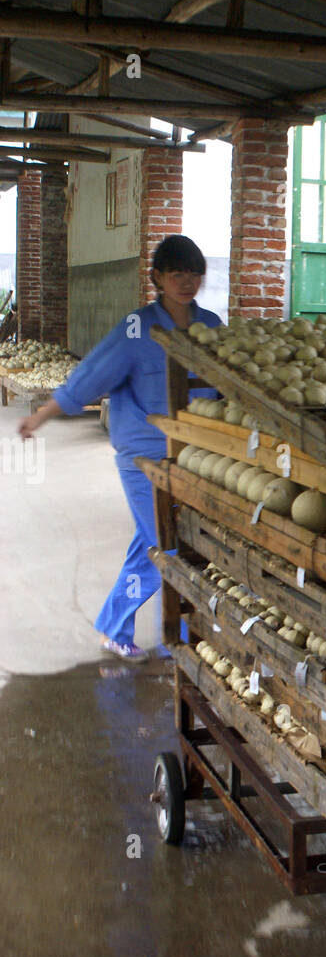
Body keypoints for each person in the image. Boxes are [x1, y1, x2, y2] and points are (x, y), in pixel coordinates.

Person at [18, 235, 222, 661]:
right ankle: (187, 637)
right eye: (176, 273)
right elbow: (90, 376)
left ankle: (114, 625)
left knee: (153, 542)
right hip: (144, 457)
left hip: (195, 456)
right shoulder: (137, 327)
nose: (187, 282)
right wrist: (41, 416)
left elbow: (226, 391)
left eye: (194, 274)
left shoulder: (211, 327)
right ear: (158, 278)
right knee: (172, 547)